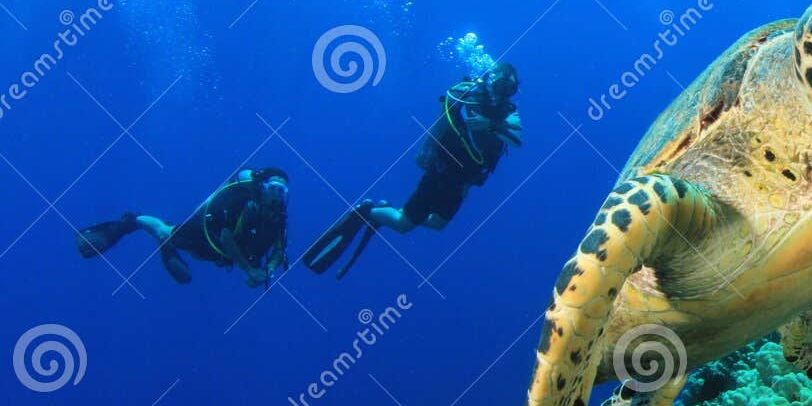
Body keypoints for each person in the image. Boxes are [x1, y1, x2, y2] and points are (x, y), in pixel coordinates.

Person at [303, 61, 522, 278]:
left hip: (464, 180)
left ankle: (388, 211)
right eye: (502, 85)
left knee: (437, 224)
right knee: (404, 225)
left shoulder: (509, 112)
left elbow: (516, 140)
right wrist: (427, 148)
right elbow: (442, 121)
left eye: (511, 89)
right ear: (491, 79)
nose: (505, 93)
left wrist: (491, 125)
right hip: (442, 171)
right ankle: (368, 212)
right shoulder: (465, 95)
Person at [75, 167, 290, 287]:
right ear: (262, 187)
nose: (277, 196)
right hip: (202, 234)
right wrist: (250, 270)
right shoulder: (242, 203)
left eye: (283, 192)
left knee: (180, 251)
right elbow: (226, 238)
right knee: (165, 232)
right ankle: (131, 222)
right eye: (274, 188)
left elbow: (280, 249)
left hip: (220, 255)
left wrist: (267, 271)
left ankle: (163, 243)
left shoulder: (278, 216)